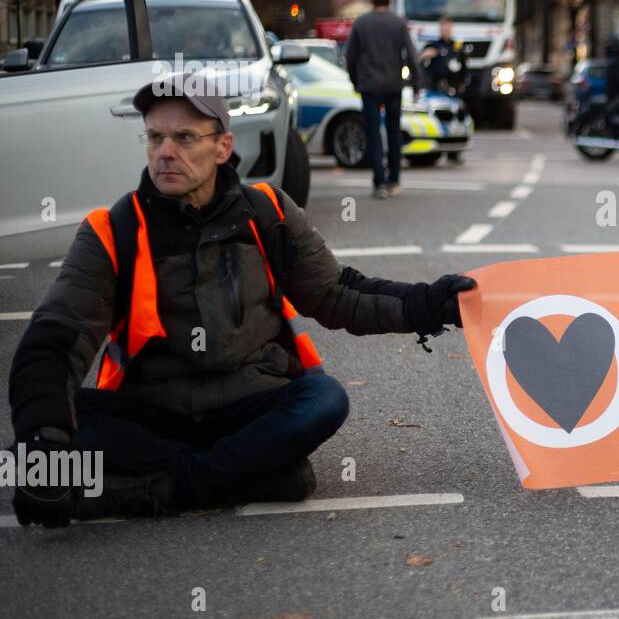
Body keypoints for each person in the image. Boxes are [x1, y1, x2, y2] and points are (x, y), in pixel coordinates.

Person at [7, 72, 477, 528]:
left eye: (185, 138)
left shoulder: (267, 213)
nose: (165, 153)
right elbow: (54, 340)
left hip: (251, 406)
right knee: (51, 433)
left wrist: (429, 304)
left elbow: (336, 294)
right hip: (153, 415)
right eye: (155, 137)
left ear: (222, 147)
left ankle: (159, 489)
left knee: (323, 398)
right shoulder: (113, 230)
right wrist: (40, 448)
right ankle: (251, 475)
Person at [344, 0, 417, 199]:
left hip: (369, 86)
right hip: (393, 85)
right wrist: (417, 83)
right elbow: (411, 56)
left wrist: (355, 81)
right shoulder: (398, 24)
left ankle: (379, 182)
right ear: (389, 0)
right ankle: (394, 179)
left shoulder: (361, 23)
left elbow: (350, 57)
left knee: (373, 134)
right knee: (394, 133)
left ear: (372, 0)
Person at [418, 17, 464, 94]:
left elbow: (463, 67)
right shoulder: (433, 45)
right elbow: (418, 62)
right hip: (433, 85)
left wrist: (462, 83)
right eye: (444, 29)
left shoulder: (457, 47)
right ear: (440, 29)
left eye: (448, 29)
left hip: (453, 85)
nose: (446, 31)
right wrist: (424, 55)